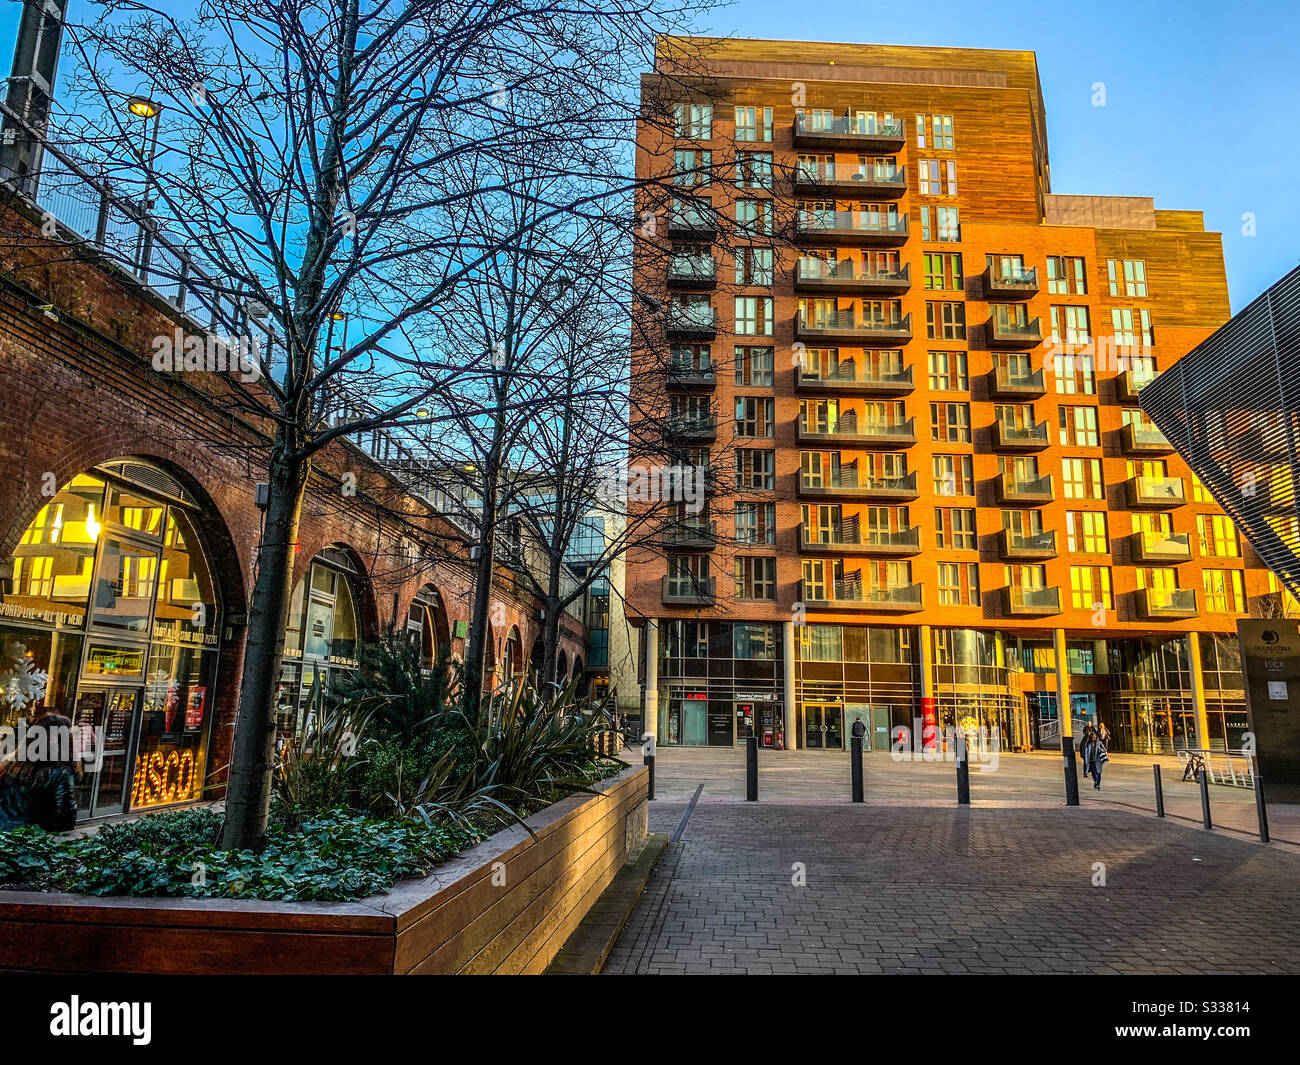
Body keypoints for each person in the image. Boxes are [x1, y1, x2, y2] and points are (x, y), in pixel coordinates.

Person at [1080, 721, 1107, 791]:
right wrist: (1086, 761)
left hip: (1097, 760)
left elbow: (1104, 750)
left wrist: (1101, 751)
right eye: (1092, 737)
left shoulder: (1099, 743)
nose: (1094, 738)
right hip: (1091, 760)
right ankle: (1095, 782)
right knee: (1094, 772)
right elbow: (1086, 753)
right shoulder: (1087, 745)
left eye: (1095, 737)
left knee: (1099, 772)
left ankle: (1098, 783)